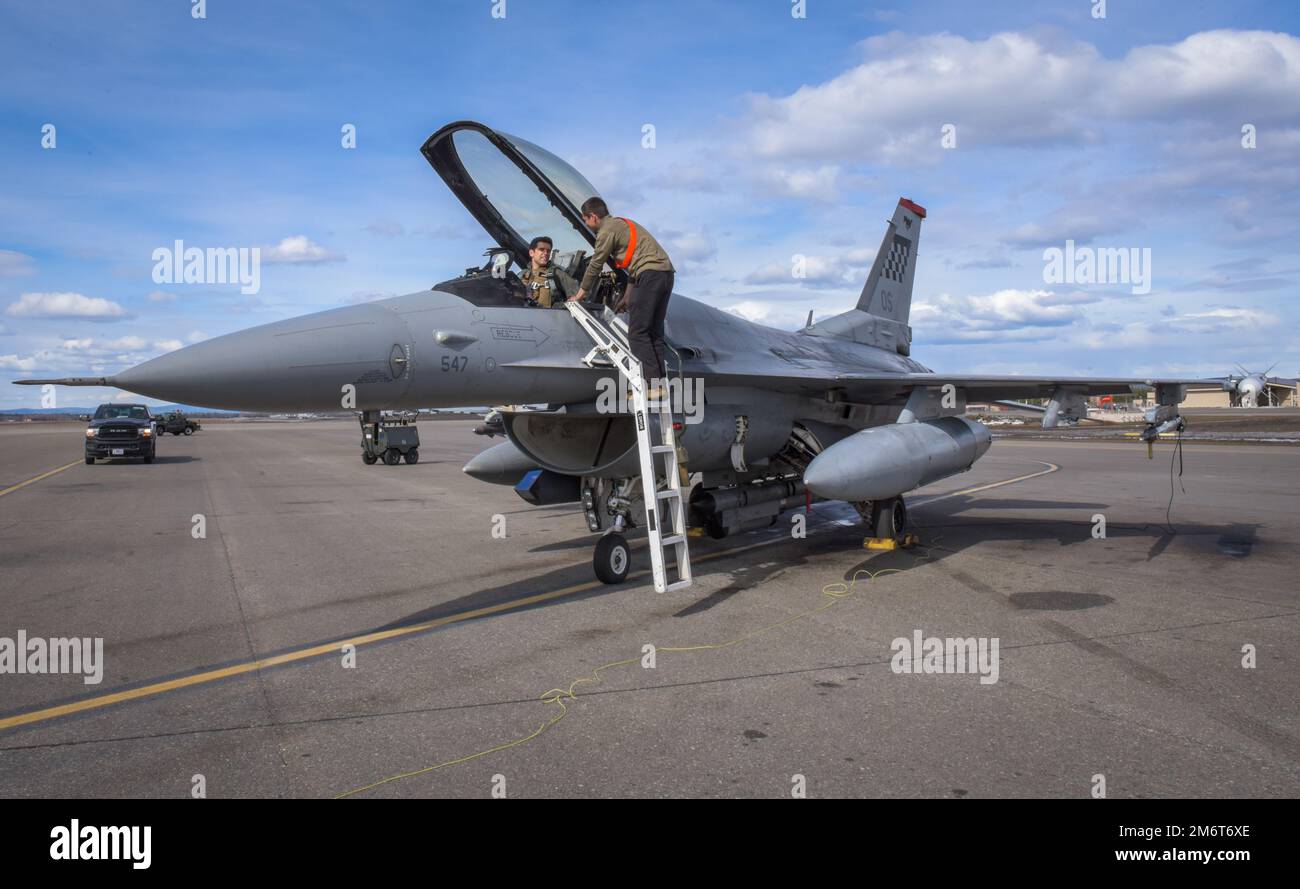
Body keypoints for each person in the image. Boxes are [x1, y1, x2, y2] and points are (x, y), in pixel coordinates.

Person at [569, 197, 675, 393]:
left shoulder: (606, 230)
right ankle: (660, 385)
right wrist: (627, 296)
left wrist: (580, 294)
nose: (585, 224)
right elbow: (634, 268)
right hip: (665, 275)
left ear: (593, 216)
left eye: (585, 219)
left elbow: (596, 264)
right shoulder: (624, 224)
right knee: (653, 333)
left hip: (650, 276)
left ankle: (651, 385)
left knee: (638, 332)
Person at [519, 236, 579, 308]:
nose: (546, 253)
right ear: (532, 253)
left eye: (548, 251)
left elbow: (577, 296)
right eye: (541, 250)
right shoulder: (522, 275)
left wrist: (562, 307)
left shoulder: (556, 273)